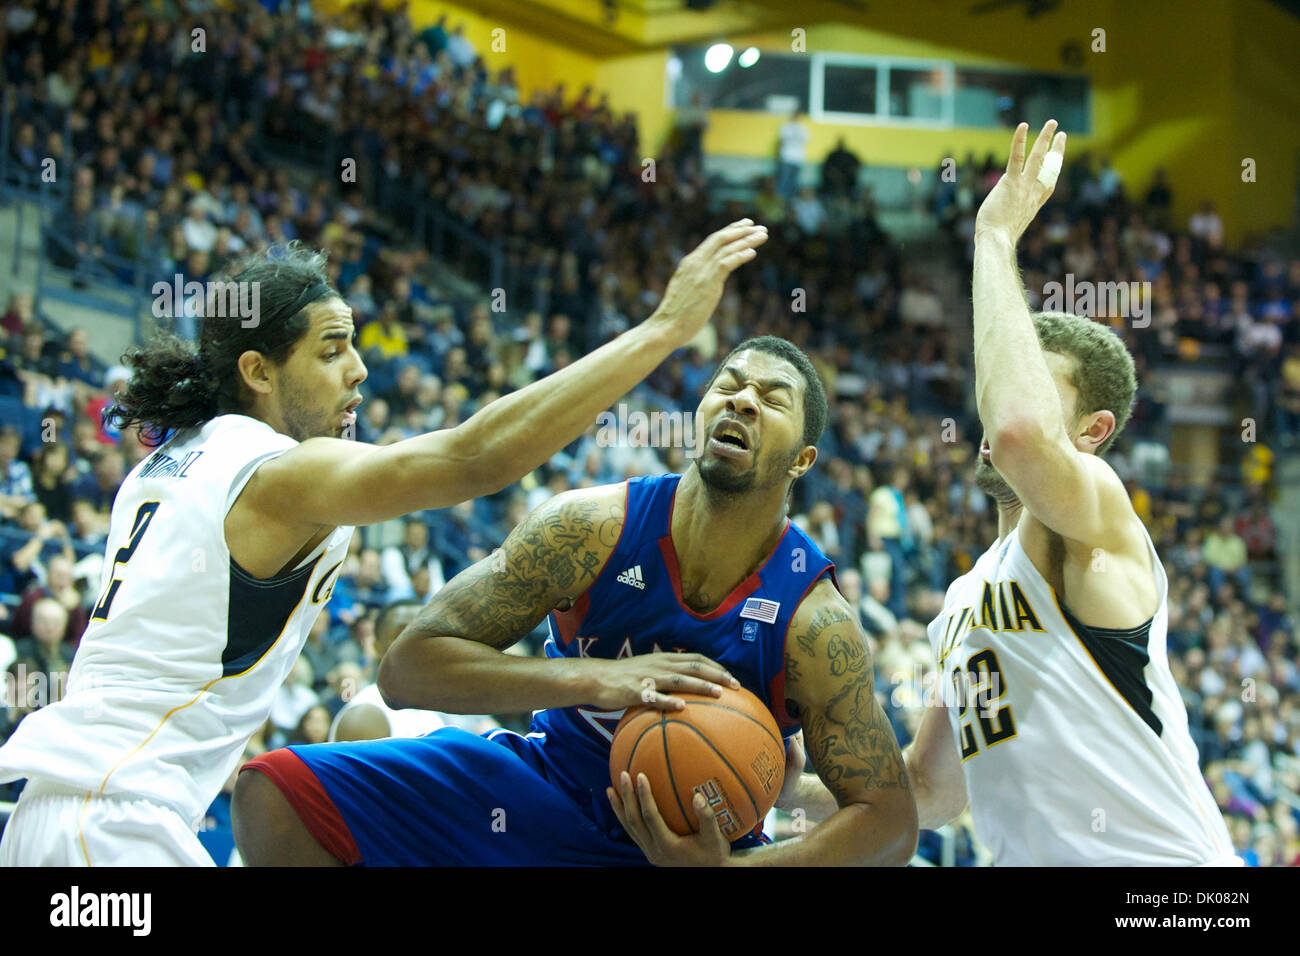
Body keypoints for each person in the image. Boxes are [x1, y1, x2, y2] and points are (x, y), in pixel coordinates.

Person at [0, 221, 769, 867]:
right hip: (109, 825)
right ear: (257, 370)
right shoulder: (270, 473)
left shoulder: (169, 463)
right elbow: (476, 458)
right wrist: (664, 329)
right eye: (331, 350)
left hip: (71, 816)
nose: (360, 370)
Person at [232, 337, 918, 866]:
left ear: (801, 460)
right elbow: (408, 669)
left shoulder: (813, 622)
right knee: (274, 794)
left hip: (692, 848)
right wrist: (594, 679)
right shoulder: (591, 528)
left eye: (770, 399)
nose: (740, 402)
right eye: (728, 386)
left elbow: (891, 822)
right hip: (548, 791)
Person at [789, 122, 1237, 866]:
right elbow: (929, 793)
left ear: (1093, 430)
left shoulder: (1094, 518)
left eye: (1023, 383)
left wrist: (994, 237)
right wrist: (775, 782)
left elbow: (1025, 433)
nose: (992, 409)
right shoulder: (965, 599)